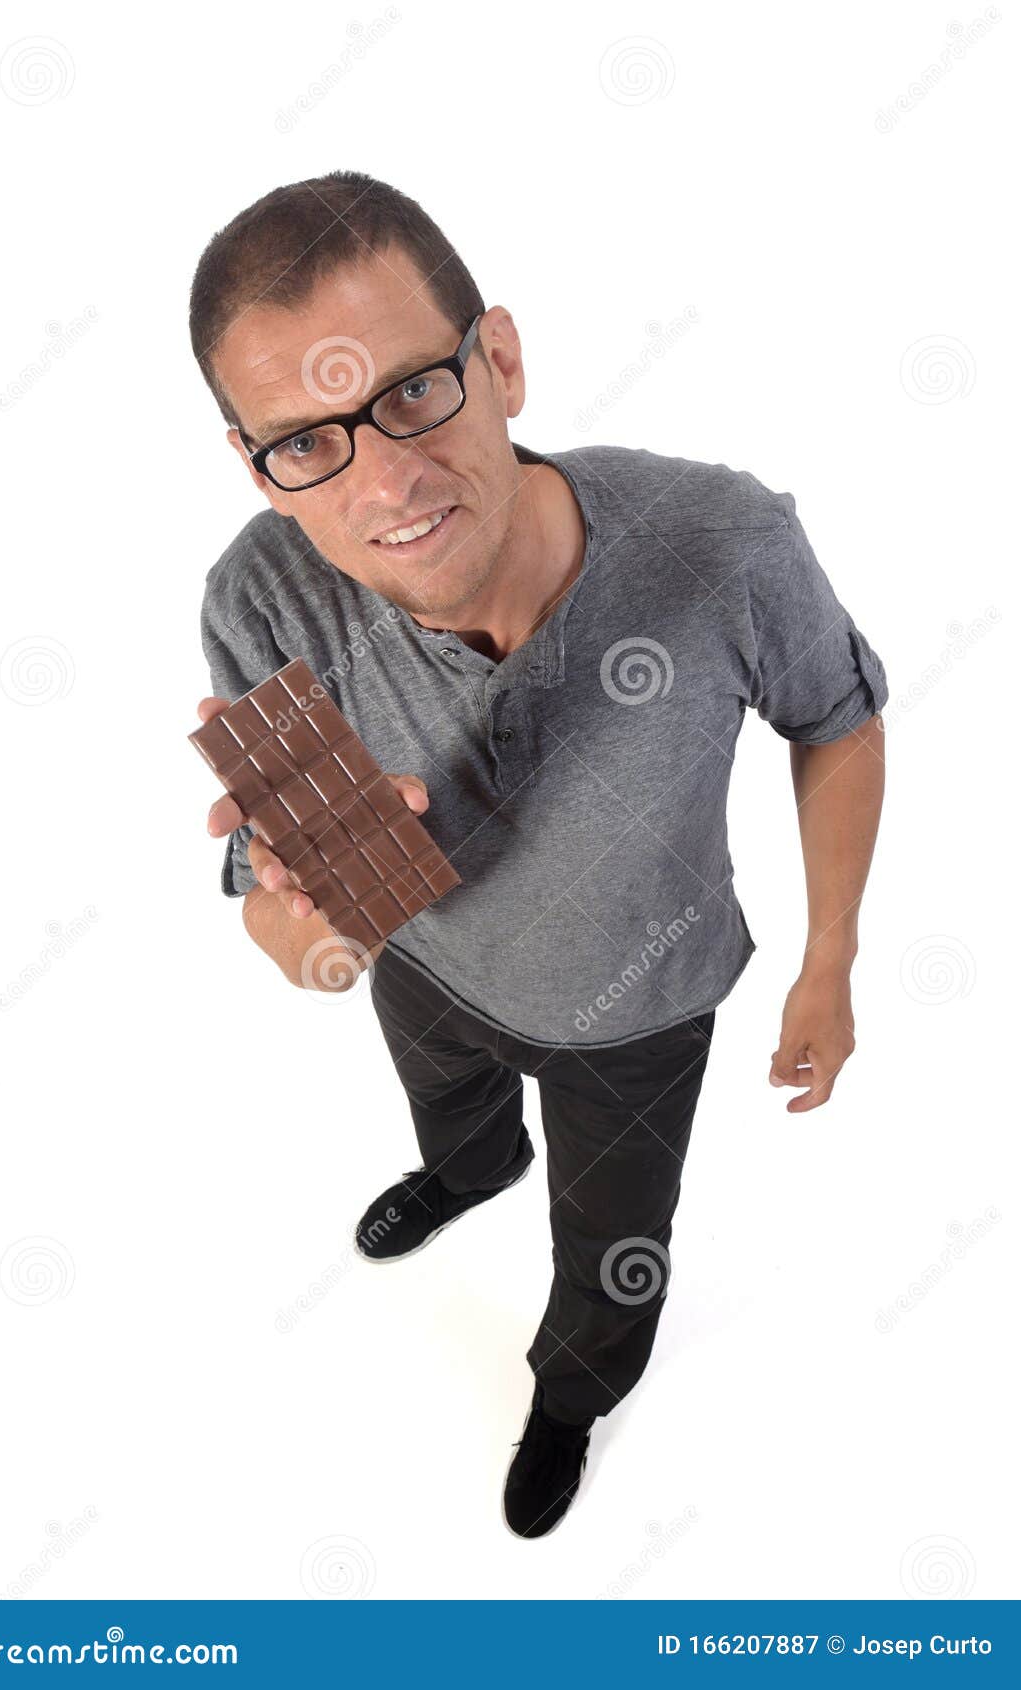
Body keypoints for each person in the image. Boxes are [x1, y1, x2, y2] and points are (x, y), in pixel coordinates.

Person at [188, 170, 889, 1539]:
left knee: (614, 1258)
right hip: (430, 969)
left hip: (640, 1015)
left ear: (499, 360)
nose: (386, 481)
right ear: (258, 465)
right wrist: (314, 917)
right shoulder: (261, 598)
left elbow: (839, 721)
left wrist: (831, 959)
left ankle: (572, 1394)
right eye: (306, 442)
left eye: (412, 392)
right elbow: (300, 935)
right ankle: (470, 1170)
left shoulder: (722, 543)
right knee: (449, 1111)